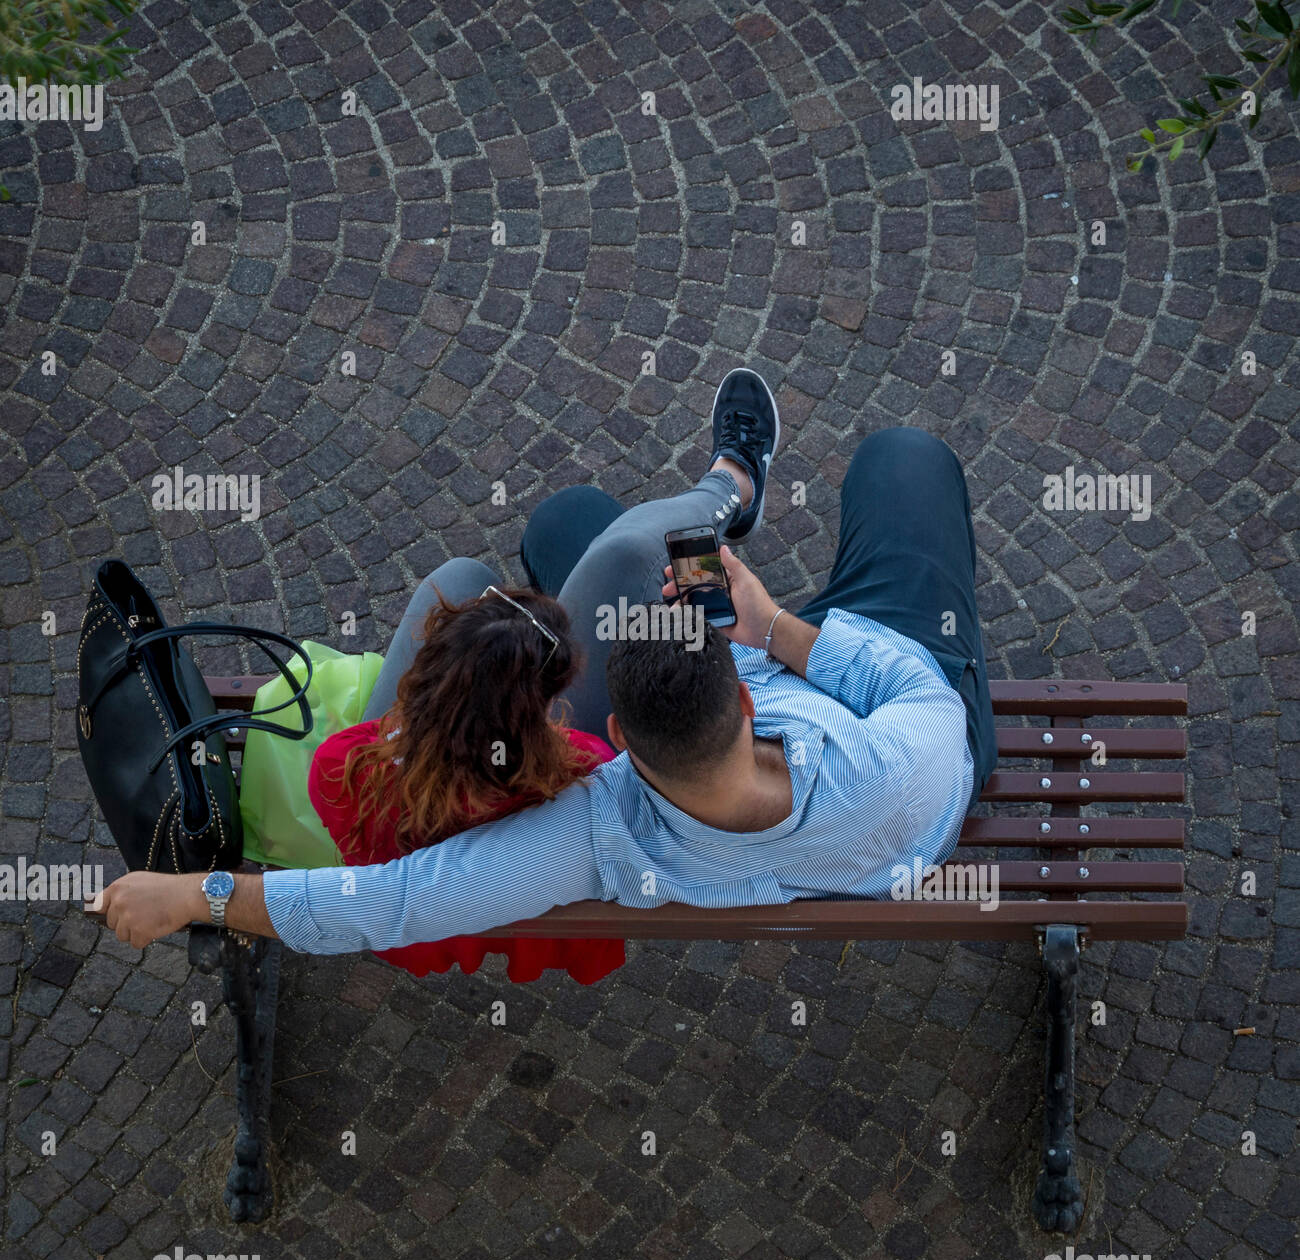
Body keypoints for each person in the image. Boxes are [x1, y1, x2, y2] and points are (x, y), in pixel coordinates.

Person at [93, 368, 998, 952]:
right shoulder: (898, 767)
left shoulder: (603, 828)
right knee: (901, 461)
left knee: (570, 528)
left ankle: (726, 494)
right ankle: (731, 491)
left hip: (743, 683)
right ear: (748, 700)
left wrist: (195, 897)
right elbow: (916, 690)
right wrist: (776, 631)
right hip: (885, 684)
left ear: (616, 738)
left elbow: (393, 903)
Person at [307, 585, 623, 984]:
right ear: (533, 712)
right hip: (531, 922)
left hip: (420, 932)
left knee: (463, 573)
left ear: (428, 670)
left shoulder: (340, 765)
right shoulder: (586, 769)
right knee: (611, 562)